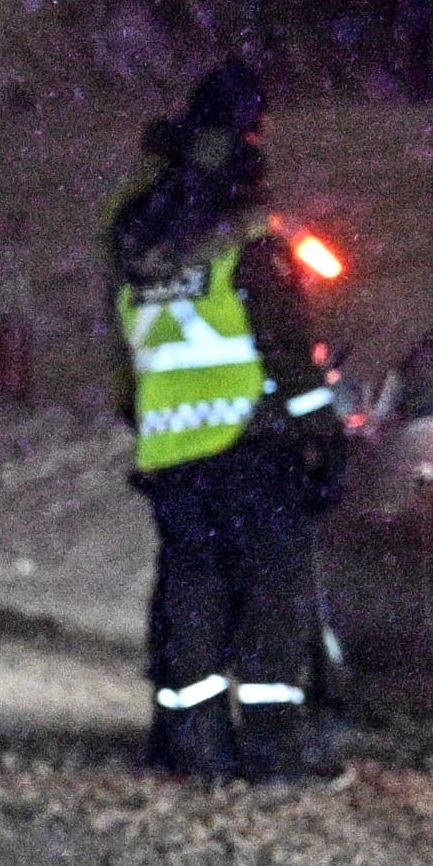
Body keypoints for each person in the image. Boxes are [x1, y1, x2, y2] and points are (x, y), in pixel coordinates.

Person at [107, 64, 345, 780]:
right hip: (249, 440)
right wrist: (323, 435)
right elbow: (285, 349)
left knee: (193, 590)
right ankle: (276, 747)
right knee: (274, 590)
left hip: (174, 446)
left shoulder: (138, 234)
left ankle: (193, 741)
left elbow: (128, 345)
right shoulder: (246, 237)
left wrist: (142, 414)